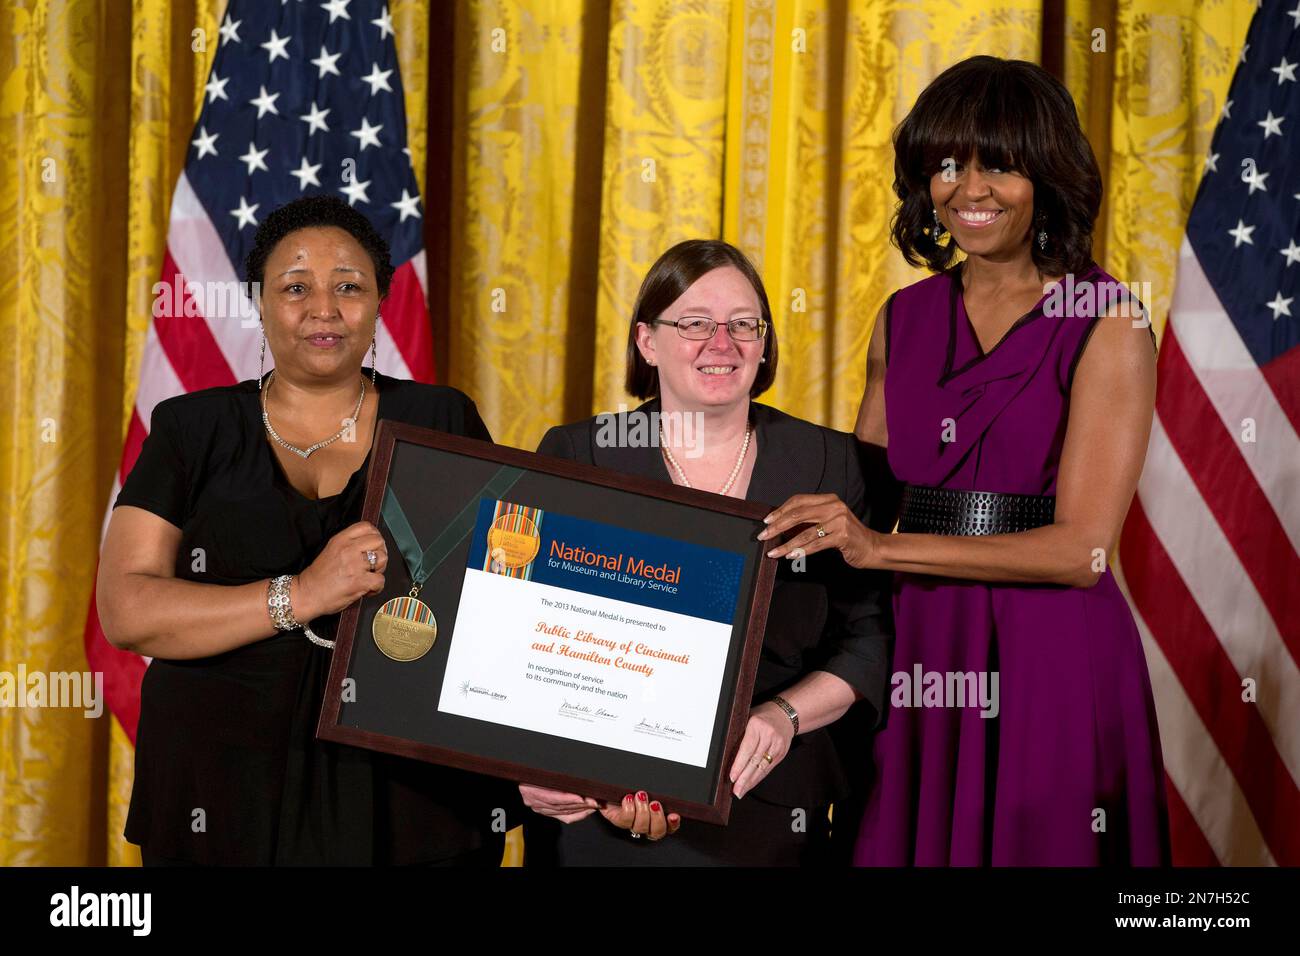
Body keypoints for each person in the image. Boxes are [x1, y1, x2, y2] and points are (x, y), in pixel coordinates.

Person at [761, 56, 1170, 865]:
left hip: (1051, 649)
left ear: (1046, 175)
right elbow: (862, 502)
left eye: (999, 165)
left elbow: (1081, 551)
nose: (969, 191)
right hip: (916, 643)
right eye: (947, 166)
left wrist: (879, 549)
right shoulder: (903, 319)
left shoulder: (1107, 320)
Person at [97, 195, 517, 865]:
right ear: (259, 303)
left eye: (349, 286)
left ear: (380, 300)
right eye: (296, 287)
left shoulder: (441, 418)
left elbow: (507, 597)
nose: (325, 307)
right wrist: (302, 594)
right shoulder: (189, 428)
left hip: (409, 793)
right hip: (220, 790)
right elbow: (126, 609)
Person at [519, 239, 893, 865]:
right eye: (694, 324)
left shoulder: (833, 463)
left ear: (765, 342)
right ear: (647, 342)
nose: (723, 344)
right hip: (598, 797)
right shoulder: (578, 454)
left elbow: (871, 636)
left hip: (770, 794)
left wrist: (784, 716)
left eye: (744, 325)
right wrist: (530, 765)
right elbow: (522, 633)